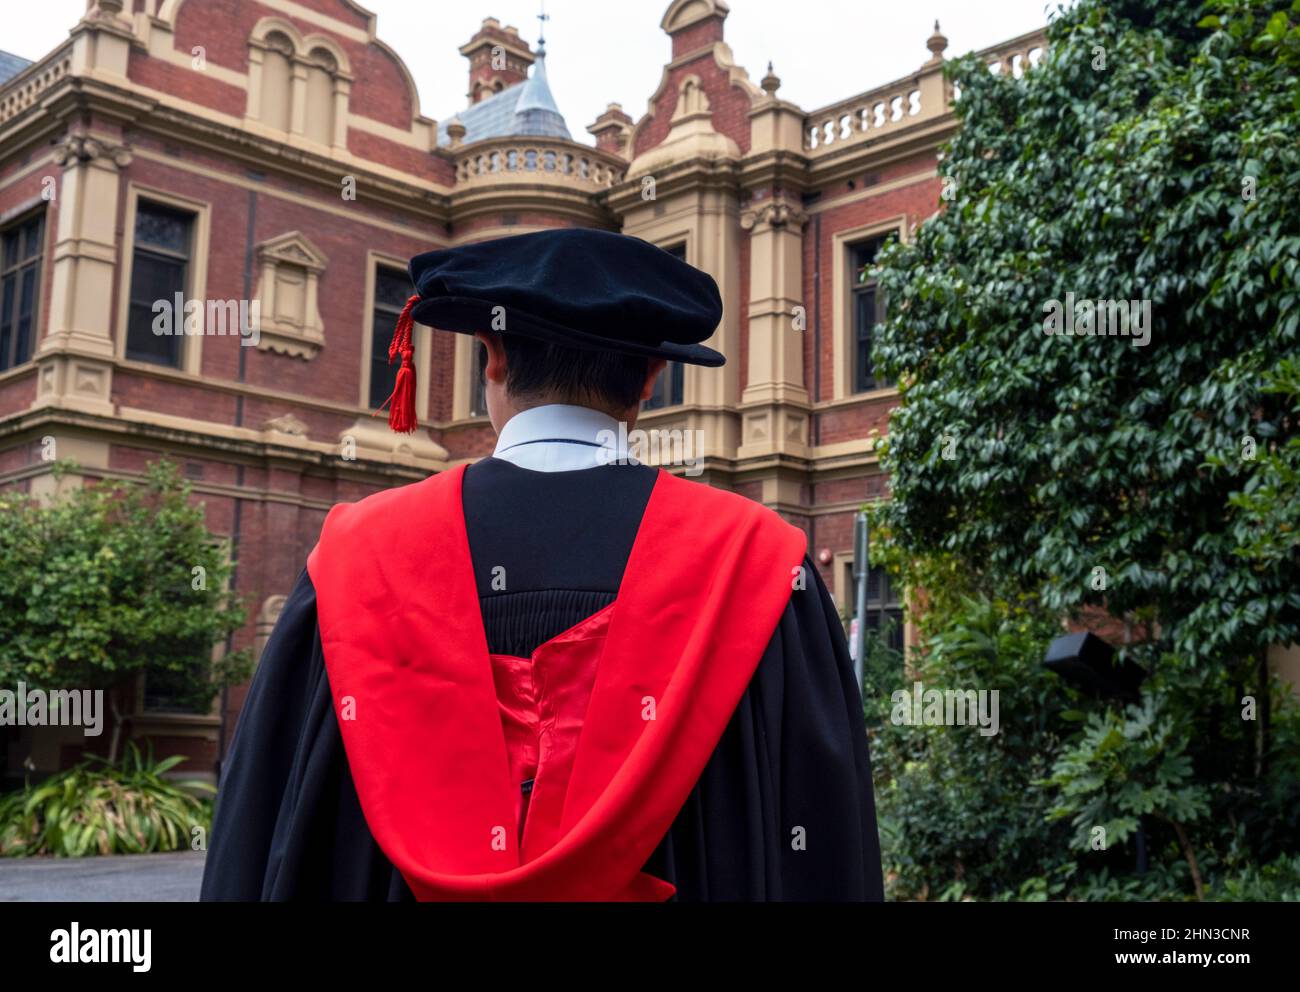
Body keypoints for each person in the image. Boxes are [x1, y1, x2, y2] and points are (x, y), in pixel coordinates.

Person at [199, 228, 883, 901]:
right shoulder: (759, 567)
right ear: (650, 376)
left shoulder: (358, 561)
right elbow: (825, 847)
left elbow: (262, 832)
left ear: (491, 356)